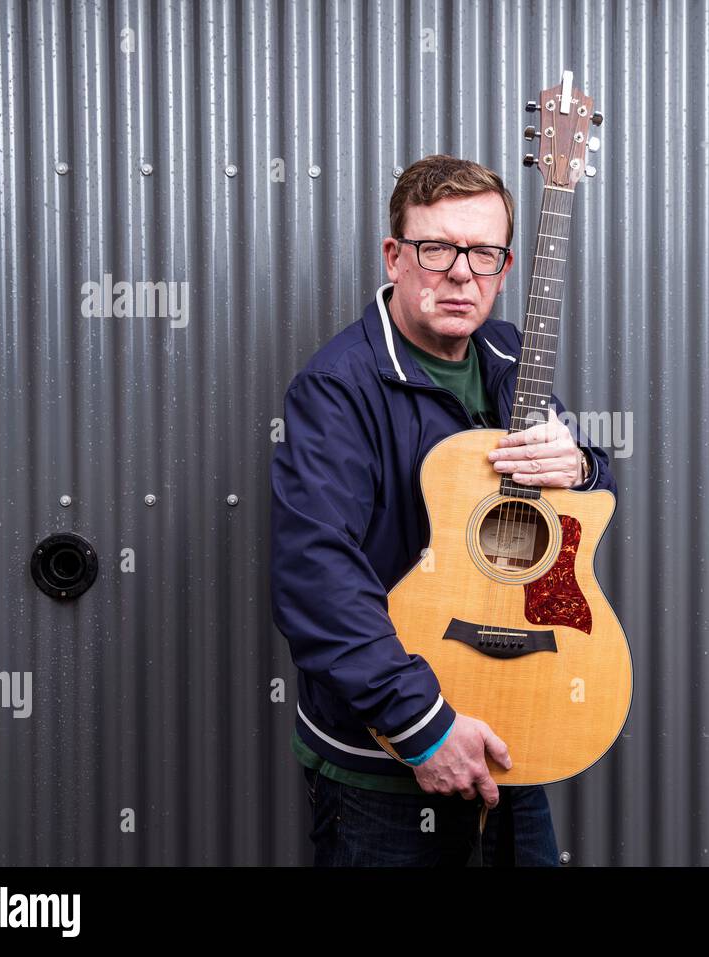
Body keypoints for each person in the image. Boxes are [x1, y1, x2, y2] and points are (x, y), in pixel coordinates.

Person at [270, 154, 618, 866]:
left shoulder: (510, 354)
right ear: (395, 255)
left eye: (484, 252)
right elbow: (316, 575)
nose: (462, 272)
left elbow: (561, 507)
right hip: (389, 751)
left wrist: (581, 464)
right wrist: (424, 726)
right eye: (438, 248)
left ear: (508, 263)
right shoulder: (337, 388)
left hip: (516, 720)